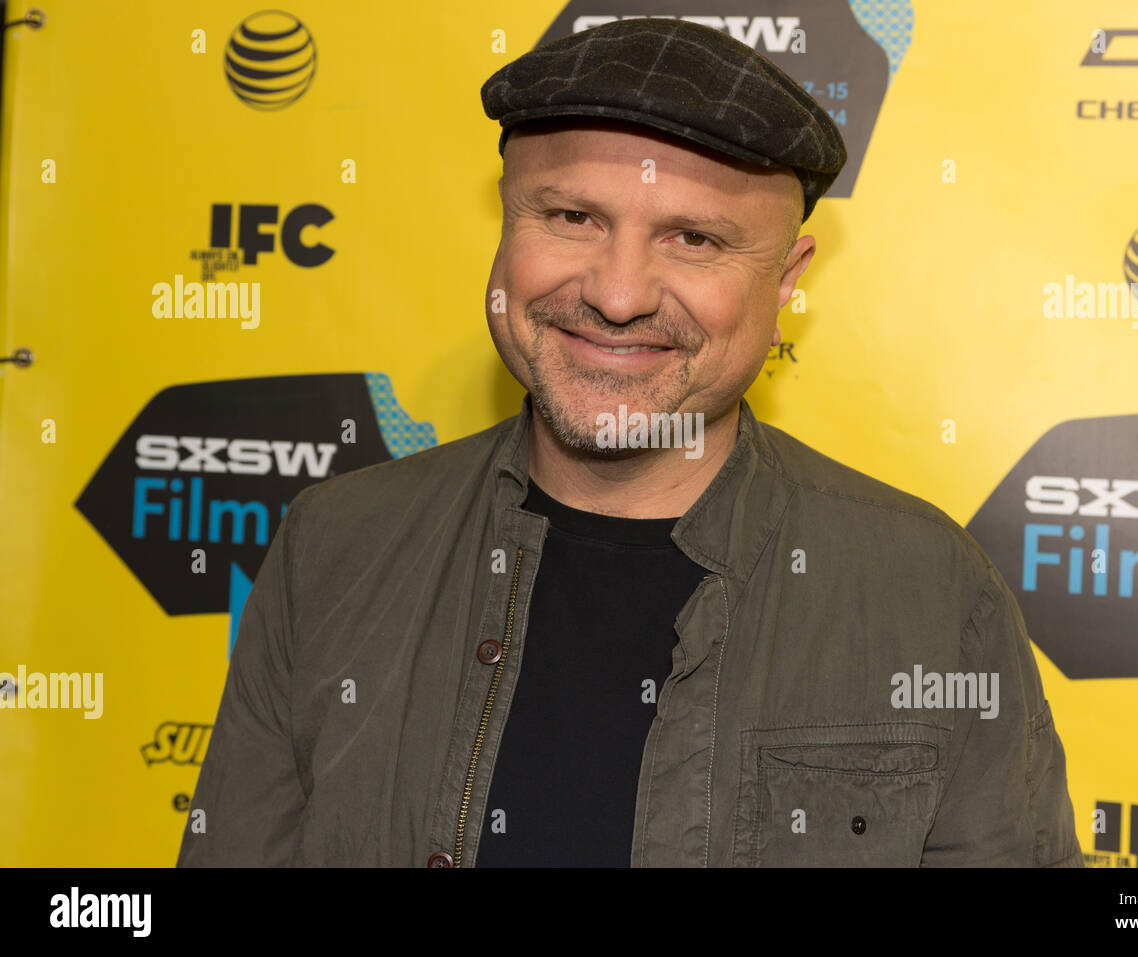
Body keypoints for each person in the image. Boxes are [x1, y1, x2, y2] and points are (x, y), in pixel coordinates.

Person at [177, 17, 1083, 867]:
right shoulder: (334, 544)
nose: (617, 294)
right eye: (570, 217)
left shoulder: (932, 592)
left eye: (693, 238)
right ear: (504, 220)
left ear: (788, 278)